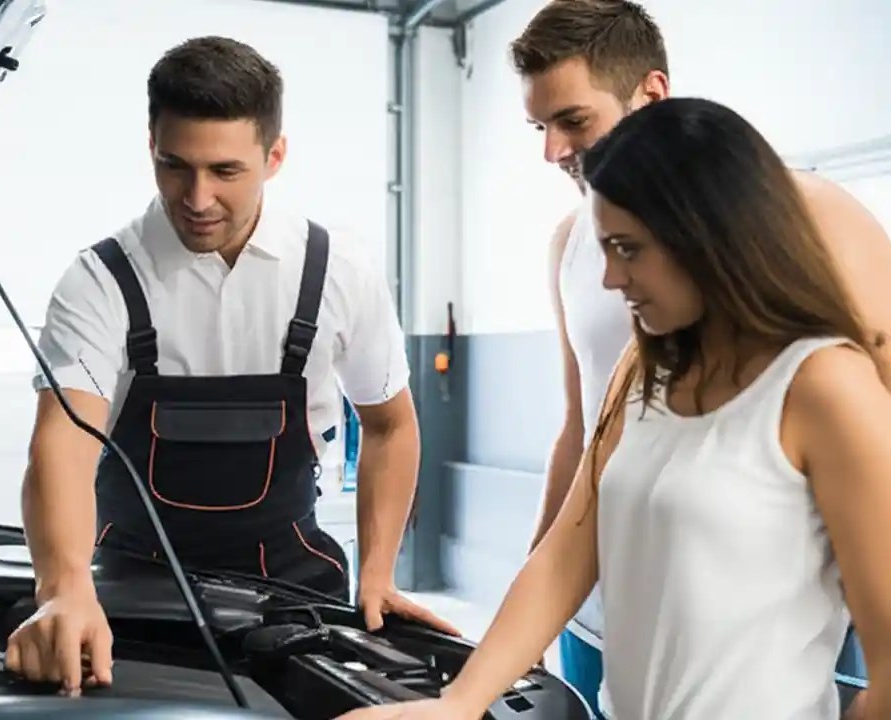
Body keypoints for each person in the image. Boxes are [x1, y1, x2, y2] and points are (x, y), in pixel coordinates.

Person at [337, 96, 891, 719]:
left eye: (627, 249)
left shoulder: (825, 387)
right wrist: (459, 703)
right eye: (605, 248)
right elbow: (568, 551)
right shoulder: (642, 367)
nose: (609, 278)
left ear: (707, 237)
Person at [4, 35, 459, 695]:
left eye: (225, 171)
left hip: (292, 591)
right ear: (151, 145)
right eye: (174, 166)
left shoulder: (337, 271)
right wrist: (64, 588)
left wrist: (379, 574)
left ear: (274, 156)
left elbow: (390, 425)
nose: (197, 197)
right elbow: (62, 442)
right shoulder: (101, 280)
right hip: (130, 591)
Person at [507, 2, 891, 715]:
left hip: (756, 623)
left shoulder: (810, 213)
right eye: (539, 128)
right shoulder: (571, 244)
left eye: (573, 121)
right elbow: (579, 431)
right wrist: (528, 610)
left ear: (650, 94)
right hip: (598, 613)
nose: (553, 151)